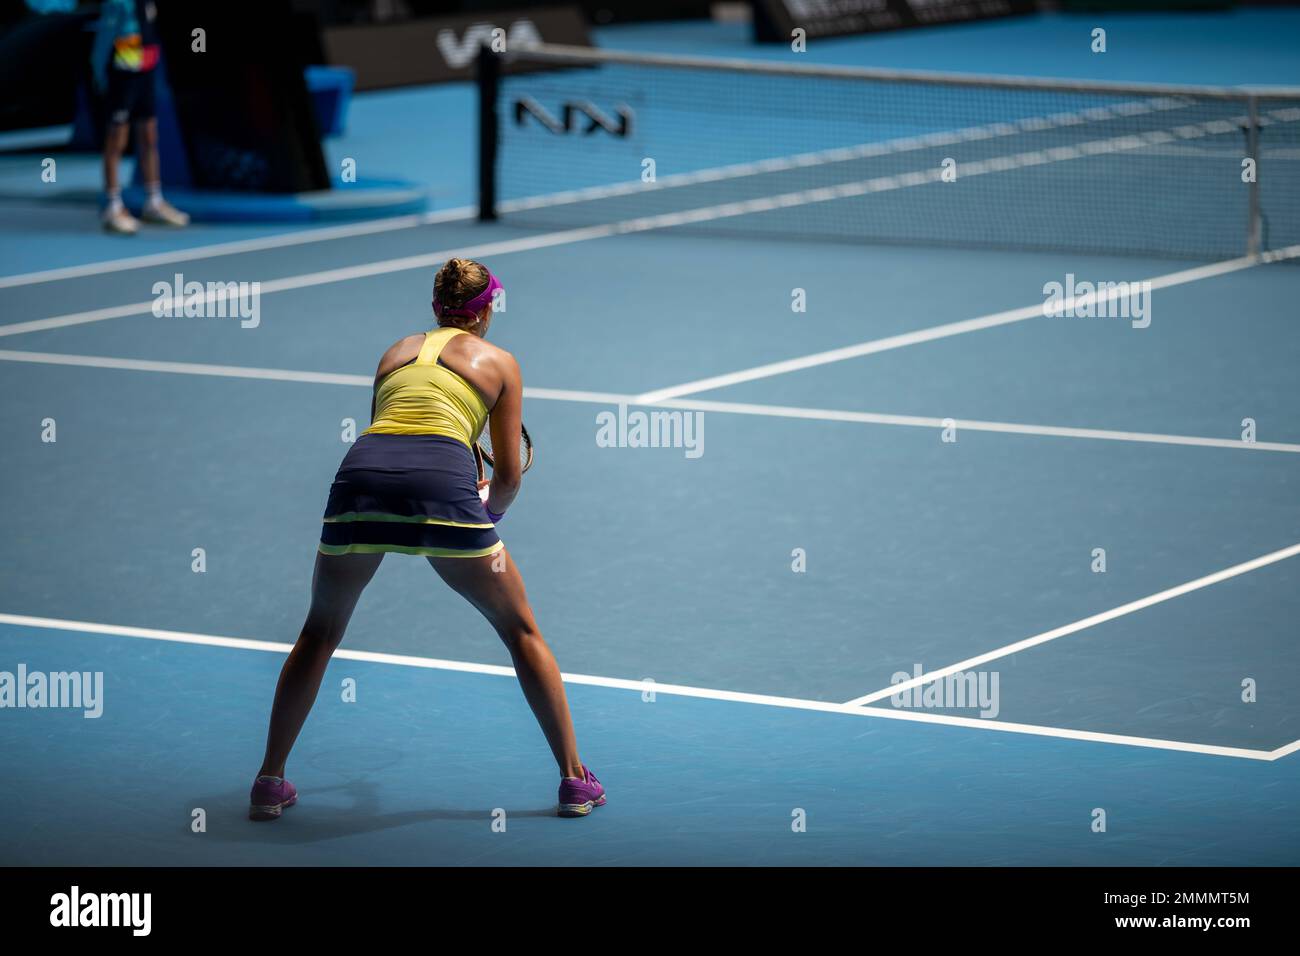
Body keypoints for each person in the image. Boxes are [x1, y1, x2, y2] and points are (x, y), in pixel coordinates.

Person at [250, 258, 605, 820]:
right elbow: (508, 477)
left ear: (436, 308)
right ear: (485, 310)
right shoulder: (501, 363)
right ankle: (573, 779)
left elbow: (393, 434)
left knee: (319, 632)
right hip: (444, 494)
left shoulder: (393, 353)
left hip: (358, 481)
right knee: (520, 630)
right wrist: (490, 509)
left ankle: (269, 780)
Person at [90, 0, 189, 234]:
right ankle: (113, 207)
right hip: (122, 72)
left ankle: (153, 202)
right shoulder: (118, 3)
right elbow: (103, 41)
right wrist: (101, 77)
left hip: (146, 65)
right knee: (117, 139)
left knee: (149, 134)